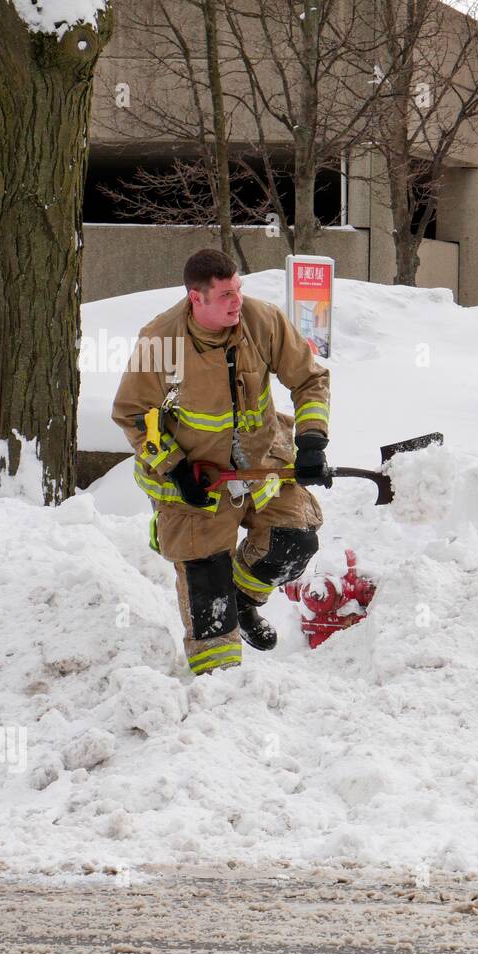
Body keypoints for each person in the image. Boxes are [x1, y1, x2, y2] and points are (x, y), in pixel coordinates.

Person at [112, 249, 332, 675]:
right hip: (197, 487)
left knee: (295, 541)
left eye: (239, 288)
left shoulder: (262, 321)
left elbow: (309, 379)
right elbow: (135, 415)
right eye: (227, 294)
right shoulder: (161, 341)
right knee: (215, 642)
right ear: (197, 298)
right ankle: (219, 699)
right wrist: (175, 468)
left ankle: (244, 601)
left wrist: (311, 442)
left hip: (260, 465)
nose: (238, 301)